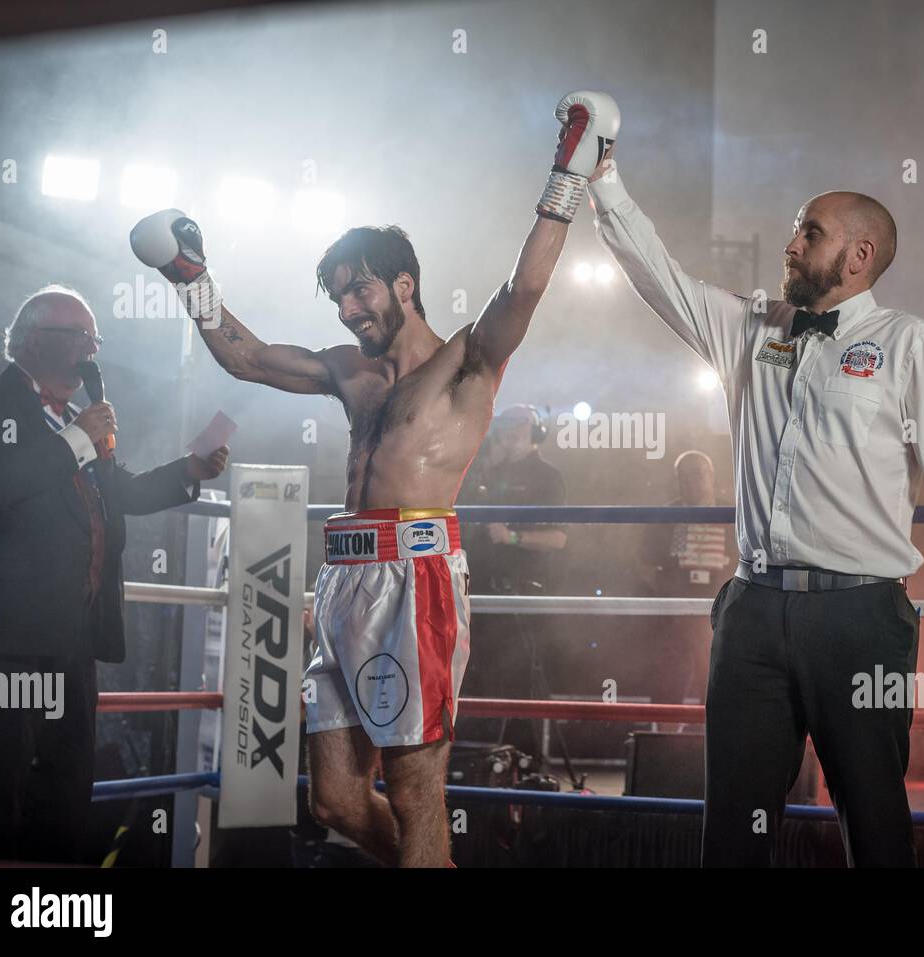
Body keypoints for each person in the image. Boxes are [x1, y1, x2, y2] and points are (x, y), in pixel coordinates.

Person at [131, 92, 618, 867]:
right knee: (335, 800)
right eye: (338, 296)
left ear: (403, 284)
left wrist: (569, 174)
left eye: (360, 290)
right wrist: (188, 272)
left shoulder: (467, 359)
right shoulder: (345, 370)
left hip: (416, 578)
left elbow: (523, 288)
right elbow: (245, 357)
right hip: (343, 579)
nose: (350, 309)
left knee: (417, 790)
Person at [587, 101, 924, 867]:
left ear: (859, 254)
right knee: (734, 831)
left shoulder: (908, 343)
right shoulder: (752, 327)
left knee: (876, 820)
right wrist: (602, 176)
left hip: (863, 617)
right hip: (751, 611)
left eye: (808, 232)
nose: (789, 243)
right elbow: (659, 273)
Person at [0, 285, 227, 864]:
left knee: (65, 787)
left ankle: (51, 909)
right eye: (81, 338)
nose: (93, 353)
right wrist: (77, 439)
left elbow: (121, 491)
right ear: (35, 341)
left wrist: (188, 468)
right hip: (6, 643)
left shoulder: (75, 423)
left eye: (96, 340)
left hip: (73, 638)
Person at [456, 405, 568, 758]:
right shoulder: (487, 474)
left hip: (523, 593)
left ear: (537, 432)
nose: (509, 430)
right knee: (475, 674)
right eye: (504, 423)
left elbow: (559, 539)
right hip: (479, 588)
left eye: (519, 423)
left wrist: (513, 537)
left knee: (518, 679)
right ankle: (479, 759)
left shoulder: (548, 476)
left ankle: (524, 763)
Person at [637, 450, 736, 713]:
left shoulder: (732, 514)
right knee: (669, 682)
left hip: (718, 614)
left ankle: (715, 745)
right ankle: (663, 746)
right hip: (674, 615)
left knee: (716, 681)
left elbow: (746, 564)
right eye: (685, 476)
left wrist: (729, 601)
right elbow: (645, 564)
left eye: (698, 474)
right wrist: (668, 597)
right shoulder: (664, 517)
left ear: (711, 476)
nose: (692, 481)